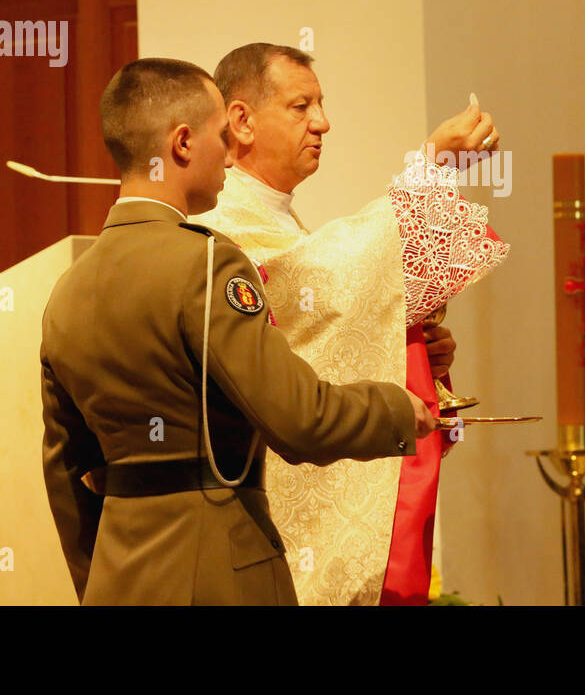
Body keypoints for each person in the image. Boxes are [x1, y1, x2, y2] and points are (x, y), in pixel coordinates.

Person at [40, 58, 434, 605]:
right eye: (221, 138)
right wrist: (397, 410)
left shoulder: (66, 291)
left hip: (118, 579)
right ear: (182, 144)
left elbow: (65, 471)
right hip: (224, 574)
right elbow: (299, 420)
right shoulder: (208, 266)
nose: (229, 156)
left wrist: (98, 582)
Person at [193, 43, 508, 605]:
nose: (323, 122)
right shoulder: (220, 223)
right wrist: (429, 165)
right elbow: (321, 287)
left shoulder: (277, 216)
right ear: (241, 120)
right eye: (300, 106)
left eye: (321, 104)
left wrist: (406, 348)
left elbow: (330, 317)